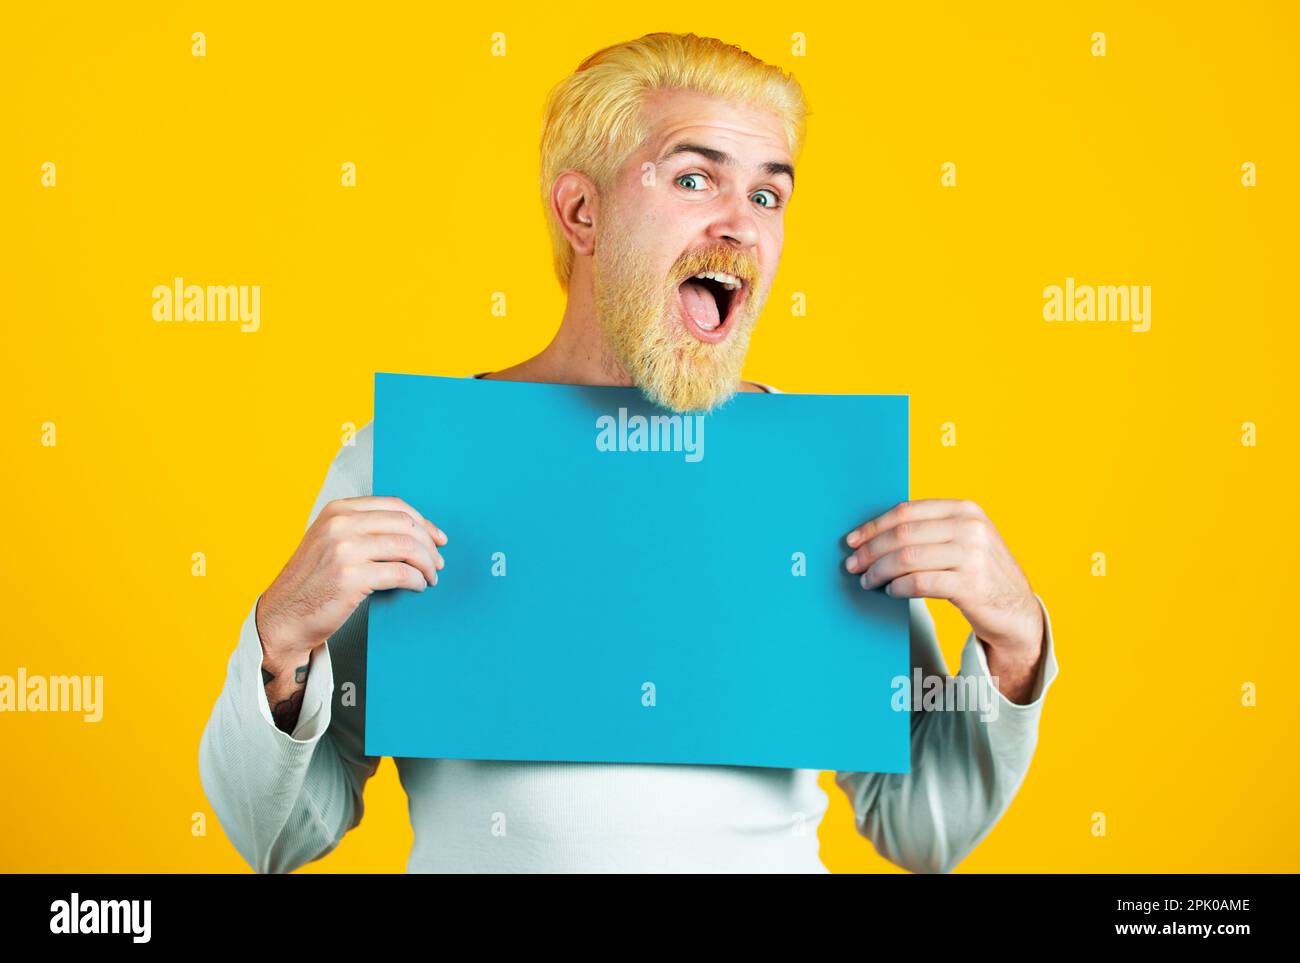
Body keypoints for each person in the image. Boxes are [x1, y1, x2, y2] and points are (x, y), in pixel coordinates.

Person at [199, 31, 1058, 873]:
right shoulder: (413, 461)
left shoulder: (814, 475)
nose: (742, 226)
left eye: (768, 195)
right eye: (694, 179)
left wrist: (1015, 644)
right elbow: (279, 837)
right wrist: (279, 641)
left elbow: (922, 826)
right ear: (583, 212)